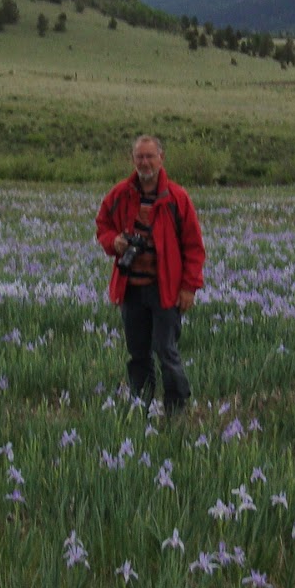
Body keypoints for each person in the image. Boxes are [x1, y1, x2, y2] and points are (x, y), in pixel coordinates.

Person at [96, 135, 205, 413]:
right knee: (138, 353)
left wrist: (189, 288)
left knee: (166, 351)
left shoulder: (177, 199)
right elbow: (103, 225)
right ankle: (140, 406)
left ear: (161, 158)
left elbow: (194, 248)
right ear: (133, 160)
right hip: (131, 288)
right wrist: (115, 242)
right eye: (139, 157)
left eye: (150, 156)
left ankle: (176, 409)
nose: (145, 162)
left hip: (165, 288)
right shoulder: (120, 194)